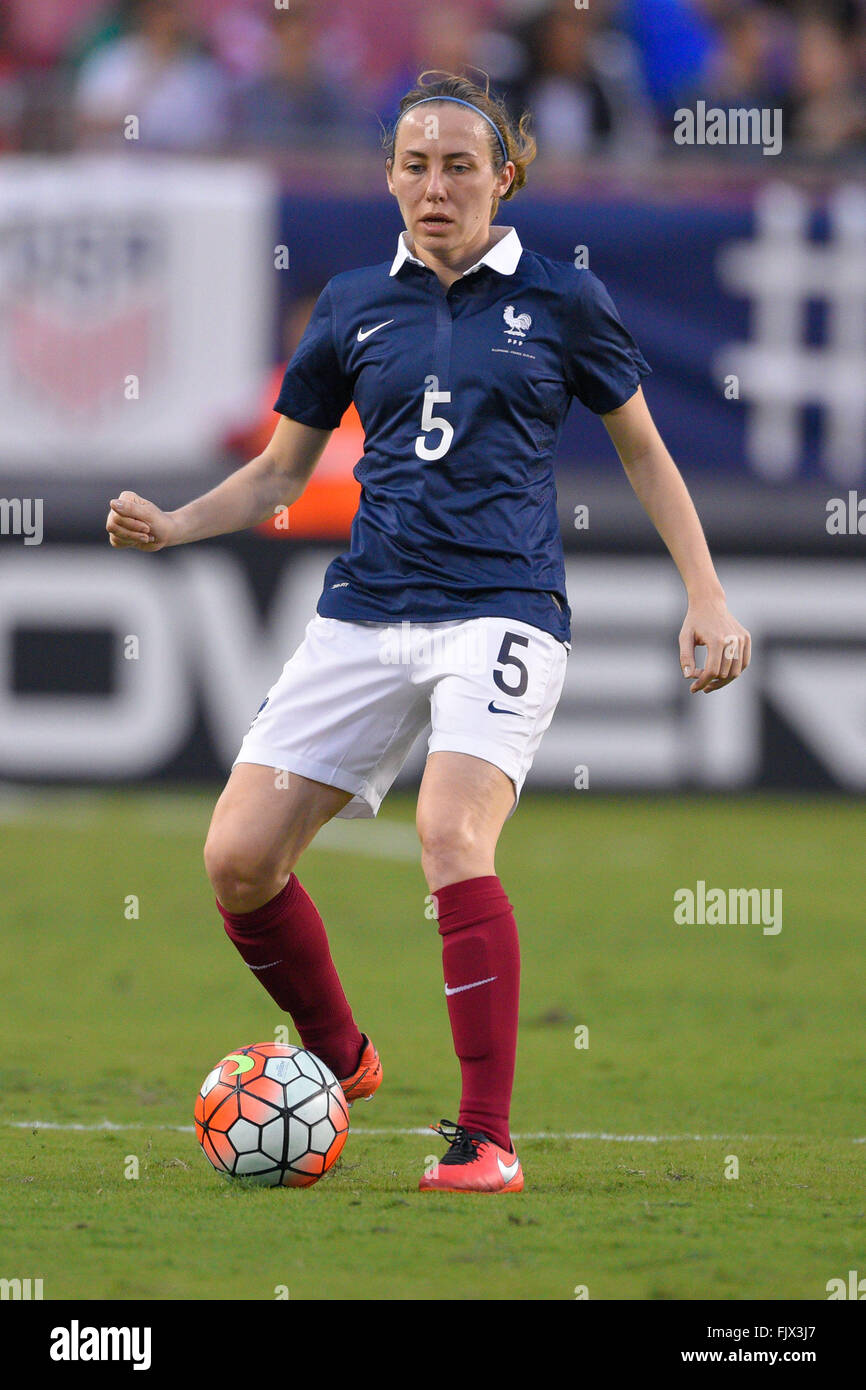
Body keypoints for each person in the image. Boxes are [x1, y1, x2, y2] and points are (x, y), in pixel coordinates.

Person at [106, 70, 751, 1194]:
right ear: (389, 176)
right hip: (365, 609)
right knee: (238, 860)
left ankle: (483, 1137)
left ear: (504, 178)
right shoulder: (353, 303)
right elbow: (276, 472)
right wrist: (175, 523)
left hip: (501, 608)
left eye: (459, 166)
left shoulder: (561, 302)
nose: (434, 187)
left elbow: (643, 450)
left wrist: (705, 592)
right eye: (415, 165)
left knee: (452, 836)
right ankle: (343, 1058)